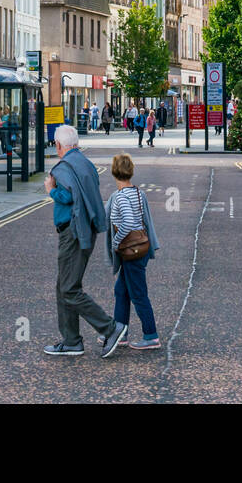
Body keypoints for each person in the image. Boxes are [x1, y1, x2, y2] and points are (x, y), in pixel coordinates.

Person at [43, 125, 126, 357]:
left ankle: (110, 328)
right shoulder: (85, 163)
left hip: (72, 233)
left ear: (59, 145)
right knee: (64, 286)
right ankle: (71, 341)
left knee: (68, 288)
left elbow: (67, 195)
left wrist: (51, 190)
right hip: (85, 229)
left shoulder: (62, 168)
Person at [103, 153, 161, 351]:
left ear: (114, 172)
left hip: (130, 251)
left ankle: (151, 335)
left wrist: (116, 243)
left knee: (138, 294)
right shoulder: (138, 192)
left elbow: (127, 223)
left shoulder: (119, 197)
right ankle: (121, 334)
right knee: (122, 291)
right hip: (140, 249)